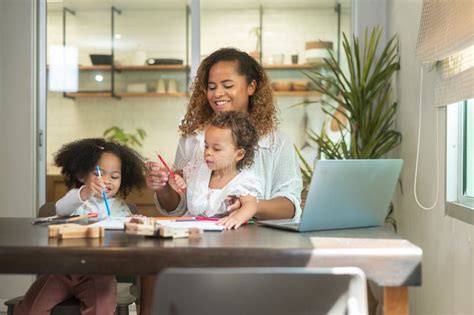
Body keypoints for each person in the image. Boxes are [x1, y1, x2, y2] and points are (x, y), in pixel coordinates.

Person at [140, 47, 303, 315]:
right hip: (194, 246)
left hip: (253, 249)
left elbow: (291, 206)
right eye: (211, 86)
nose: (217, 93)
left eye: (227, 85)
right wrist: (166, 186)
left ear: (251, 87)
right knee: (151, 266)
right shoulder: (194, 140)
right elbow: (176, 206)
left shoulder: (276, 142)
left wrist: (250, 206)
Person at [14, 138, 145, 315]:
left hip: (100, 272)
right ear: (82, 175)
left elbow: (128, 237)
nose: (106, 181)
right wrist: (86, 192)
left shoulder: (120, 207)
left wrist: (134, 223)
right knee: (31, 307)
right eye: (99, 173)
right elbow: (60, 209)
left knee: (102, 309)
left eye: (114, 176)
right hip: (61, 270)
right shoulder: (78, 197)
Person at [168, 111, 262, 229]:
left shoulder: (242, 182)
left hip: (224, 236)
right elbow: (184, 180)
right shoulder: (199, 172)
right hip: (191, 233)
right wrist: (179, 180)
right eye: (206, 146)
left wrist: (236, 218)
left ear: (239, 154)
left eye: (216, 149)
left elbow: (251, 205)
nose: (208, 152)